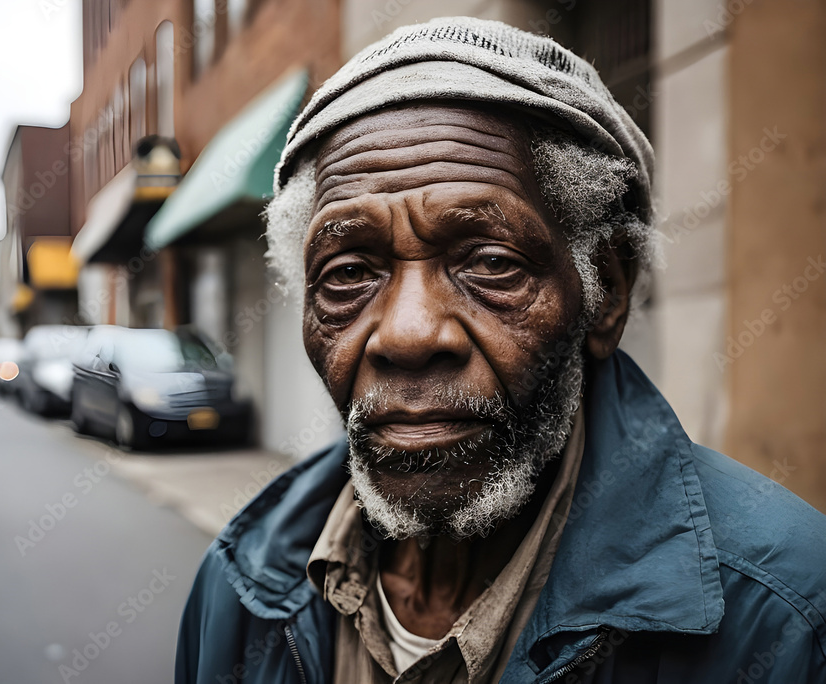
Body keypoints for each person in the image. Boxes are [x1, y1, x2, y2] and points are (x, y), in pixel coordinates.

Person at [176, 16, 826, 684]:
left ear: (607, 289)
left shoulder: (786, 613)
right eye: (348, 274)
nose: (407, 334)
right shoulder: (239, 586)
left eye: (489, 262)